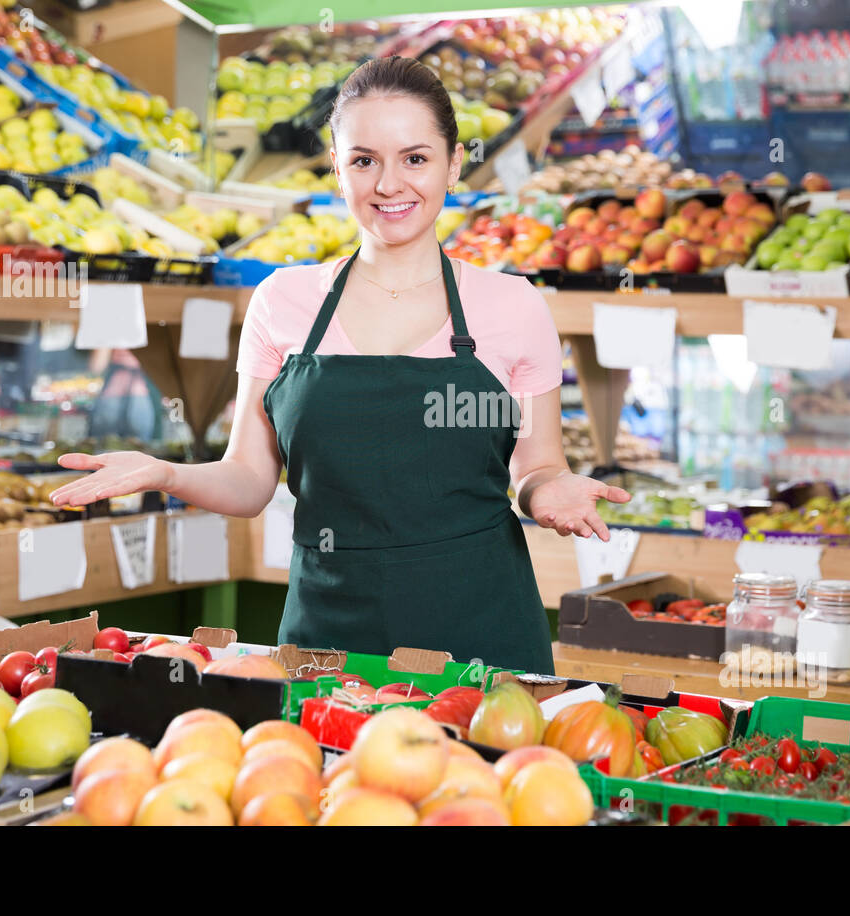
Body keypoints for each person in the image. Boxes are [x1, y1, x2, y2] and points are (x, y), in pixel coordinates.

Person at [49, 56, 630, 673]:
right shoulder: (283, 300)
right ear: (337, 167)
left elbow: (537, 465)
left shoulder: (513, 306)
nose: (388, 184)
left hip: (480, 631)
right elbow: (248, 480)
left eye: (415, 158)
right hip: (327, 633)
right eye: (363, 160)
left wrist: (547, 490)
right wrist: (165, 473)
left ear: (455, 164)